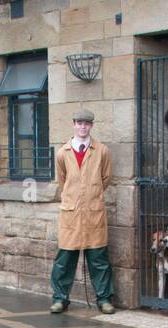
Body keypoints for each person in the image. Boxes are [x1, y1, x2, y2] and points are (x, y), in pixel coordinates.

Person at [50, 110, 116, 314]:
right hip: (71, 214)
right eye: (79, 123)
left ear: (91, 126)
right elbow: (62, 180)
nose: (83, 127)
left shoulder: (102, 151)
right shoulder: (63, 153)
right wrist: (75, 197)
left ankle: (104, 299)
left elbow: (106, 178)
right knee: (64, 260)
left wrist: (91, 196)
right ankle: (60, 298)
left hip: (94, 213)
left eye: (86, 124)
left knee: (99, 259)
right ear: (73, 125)